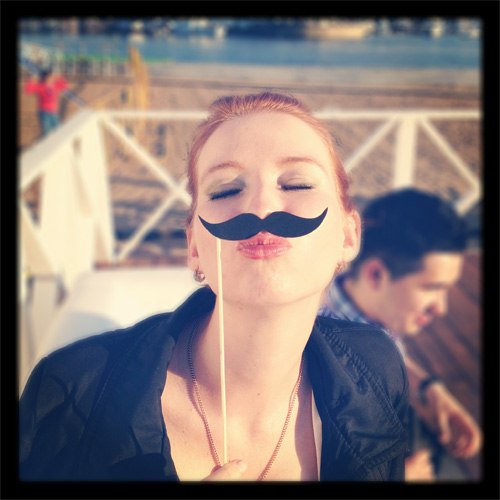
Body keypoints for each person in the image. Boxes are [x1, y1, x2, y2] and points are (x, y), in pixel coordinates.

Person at [19, 92, 409, 481]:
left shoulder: (378, 368)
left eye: (298, 183)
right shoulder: (69, 394)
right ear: (194, 249)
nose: (261, 206)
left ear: (349, 235)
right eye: (225, 190)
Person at [319, 188, 482, 481]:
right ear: (375, 274)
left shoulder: (366, 311)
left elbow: (388, 346)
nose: (441, 308)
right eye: (432, 288)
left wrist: (428, 389)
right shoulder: (316, 359)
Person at [23, 67, 69, 137]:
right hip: (44, 113)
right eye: (48, 77)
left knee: (58, 130)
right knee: (48, 132)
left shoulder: (56, 85)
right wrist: (31, 79)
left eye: (51, 77)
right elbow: (28, 90)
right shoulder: (41, 86)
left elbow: (65, 86)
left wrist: (60, 77)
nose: (50, 79)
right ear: (44, 78)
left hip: (53, 112)